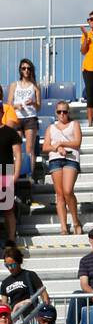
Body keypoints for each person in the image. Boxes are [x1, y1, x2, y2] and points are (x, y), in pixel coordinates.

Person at [7, 58, 41, 167]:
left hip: (30, 118)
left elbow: (39, 107)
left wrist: (33, 103)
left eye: (28, 68)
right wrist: (16, 106)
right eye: (24, 68)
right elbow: (9, 105)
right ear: (20, 70)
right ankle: (16, 173)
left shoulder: (35, 86)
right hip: (16, 118)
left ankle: (30, 174)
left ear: (31, 70)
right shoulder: (14, 85)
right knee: (15, 148)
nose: (26, 70)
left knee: (29, 149)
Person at [0, 105, 23, 244]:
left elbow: (18, 155)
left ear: (2, 113)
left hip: (5, 173)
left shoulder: (11, 133)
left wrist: (15, 175)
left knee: (8, 209)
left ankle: (11, 239)